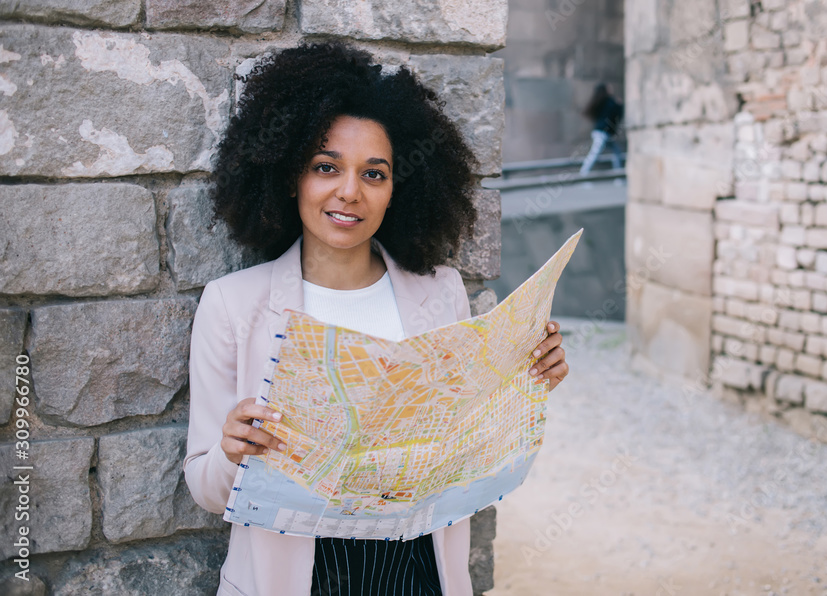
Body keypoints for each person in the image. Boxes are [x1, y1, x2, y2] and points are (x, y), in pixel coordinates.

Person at [183, 41, 570, 596]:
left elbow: (470, 443)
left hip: (420, 572)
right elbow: (206, 488)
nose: (349, 192)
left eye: (374, 174)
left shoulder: (441, 294)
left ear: (396, 190)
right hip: (298, 575)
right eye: (325, 167)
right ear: (291, 175)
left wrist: (529, 379)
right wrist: (232, 450)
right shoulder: (233, 304)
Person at [579, 83, 624, 175]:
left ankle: (618, 175)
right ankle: (583, 175)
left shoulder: (602, 101)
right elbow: (617, 115)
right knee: (594, 155)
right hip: (602, 133)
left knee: (617, 152)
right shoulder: (610, 102)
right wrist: (619, 105)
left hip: (603, 133)